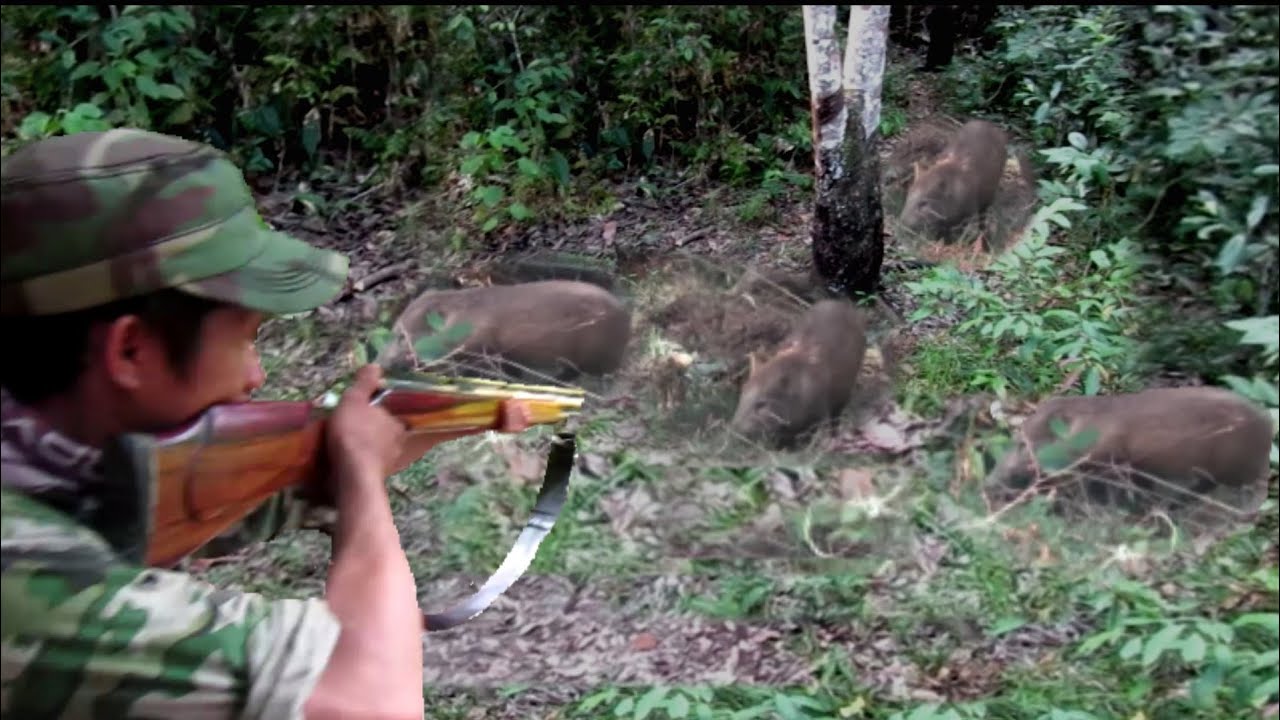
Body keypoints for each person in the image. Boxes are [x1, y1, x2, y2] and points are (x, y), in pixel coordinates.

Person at [0, 128, 533, 718]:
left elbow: (155, 499)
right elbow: (365, 702)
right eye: (247, 337)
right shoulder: (24, 570)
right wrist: (360, 478)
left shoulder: (48, 457)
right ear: (129, 351)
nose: (254, 375)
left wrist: (352, 451)